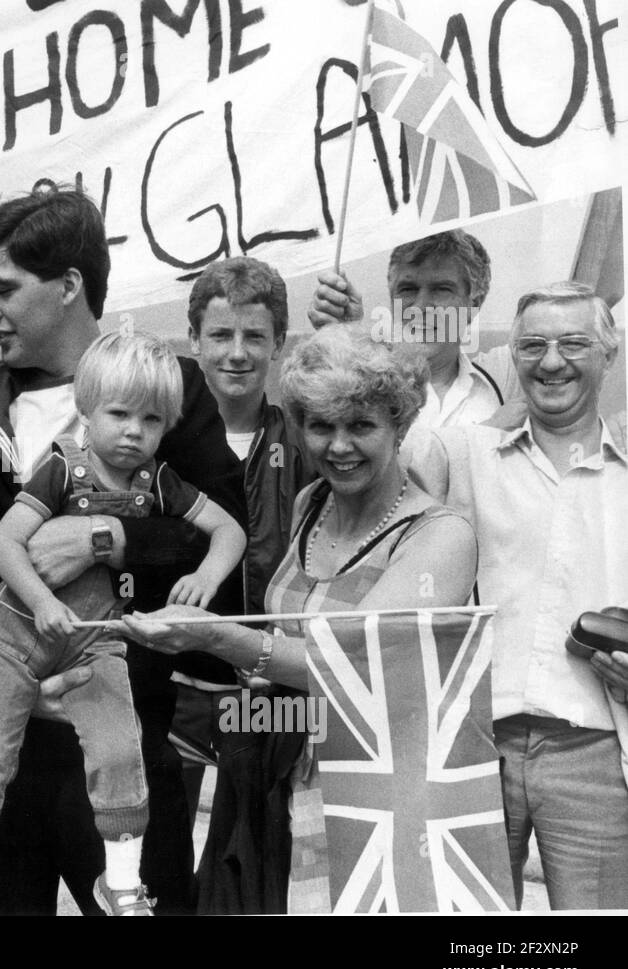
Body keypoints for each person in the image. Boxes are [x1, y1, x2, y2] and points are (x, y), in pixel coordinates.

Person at [0, 189, 246, 915]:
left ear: (68, 286)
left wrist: (109, 537)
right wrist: (8, 665)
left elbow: (223, 540)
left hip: (120, 735)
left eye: (2, 289)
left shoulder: (168, 387)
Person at [121, 327, 480, 915]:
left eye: (361, 425)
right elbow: (290, 633)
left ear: (400, 426)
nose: (339, 446)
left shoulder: (439, 537)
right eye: (320, 426)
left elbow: (351, 668)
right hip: (274, 769)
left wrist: (216, 636)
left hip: (372, 796)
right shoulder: (310, 501)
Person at [407, 281, 628, 910]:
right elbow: (370, 467)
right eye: (532, 345)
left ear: (607, 355)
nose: (551, 361)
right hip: (476, 744)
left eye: (573, 344)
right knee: (469, 940)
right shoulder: (461, 455)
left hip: (597, 755)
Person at [180, 256, 316, 914]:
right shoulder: (153, 438)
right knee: (152, 862)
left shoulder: (309, 443)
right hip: (174, 688)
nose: (237, 353)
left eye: (254, 337)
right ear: (193, 341)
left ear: (279, 345)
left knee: (255, 871)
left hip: (271, 688)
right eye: (221, 335)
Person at [307, 230, 521, 438]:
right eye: (408, 289)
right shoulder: (365, 385)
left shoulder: (503, 376)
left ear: (474, 302)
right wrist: (346, 334)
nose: (420, 306)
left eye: (441, 289)